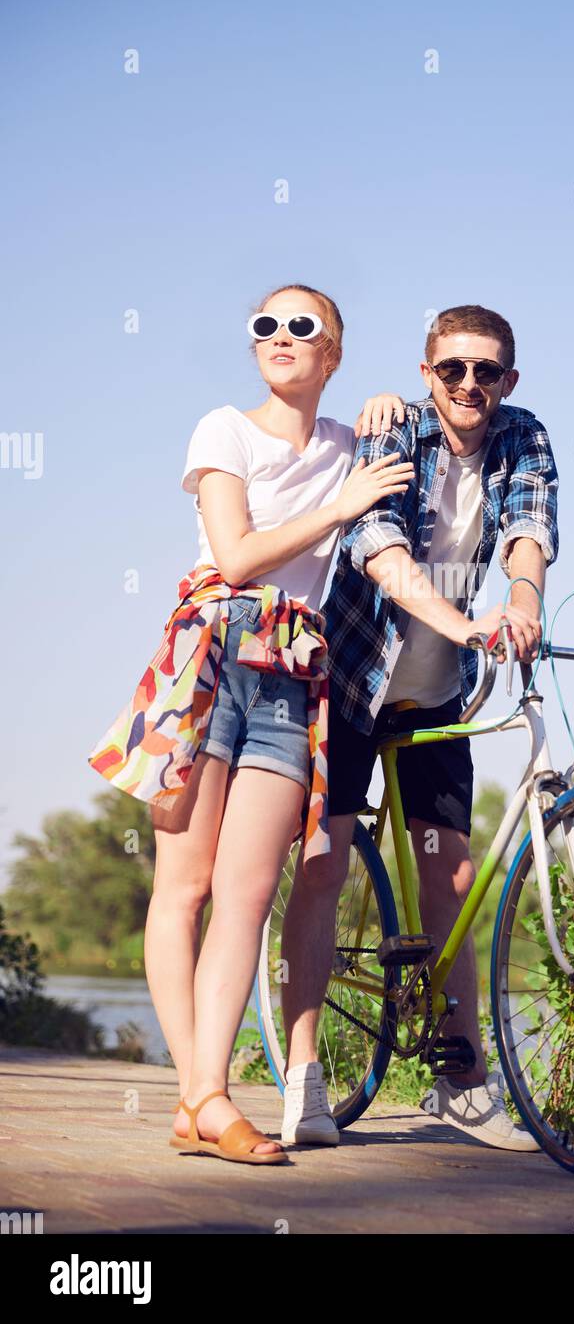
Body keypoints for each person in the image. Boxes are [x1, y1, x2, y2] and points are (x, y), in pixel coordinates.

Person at [88, 282, 410, 1164]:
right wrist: (339, 508)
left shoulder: (350, 444)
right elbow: (232, 553)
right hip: (212, 652)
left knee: (249, 896)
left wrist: (388, 404)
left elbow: (415, 427)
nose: (278, 336)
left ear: (332, 353)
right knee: (183, 888)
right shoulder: (221, 428)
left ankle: (204, 1101)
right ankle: (207, 1094)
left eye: (302, 327)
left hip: (291, 667)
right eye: (264, 324)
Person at [280, 304, 559, 1150]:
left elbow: (528, 526)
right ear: (426, 373)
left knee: (452, 876)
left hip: (436, 689)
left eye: (488, 372)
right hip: (355, 674)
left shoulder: (524, 436)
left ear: (508, 380)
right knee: (324, 860)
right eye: (452, 370)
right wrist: (463, 621)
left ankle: (462, 1084)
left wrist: (520, 602)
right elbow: (380, 549)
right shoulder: (392, 429)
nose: (470, 385)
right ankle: (303, 1079)